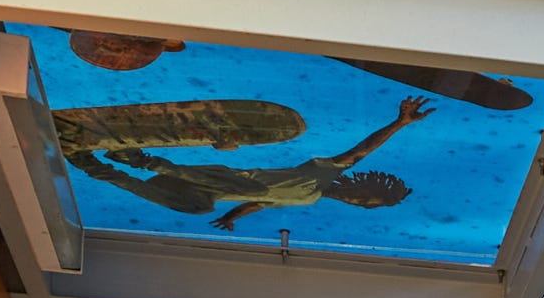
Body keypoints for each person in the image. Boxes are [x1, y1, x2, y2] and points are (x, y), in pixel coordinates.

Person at [73, 97, 435, 231]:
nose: (355, 203)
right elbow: (360, 152)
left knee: (199, 208)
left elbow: (261, 203)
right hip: (223, 178)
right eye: (363, 198)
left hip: (202, 192)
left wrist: (232, 218)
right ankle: (141, 158)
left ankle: (98, 167)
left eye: (362, 207)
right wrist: (399, 123)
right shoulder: (326, 175)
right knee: (242, 185)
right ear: (361, 188)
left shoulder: (308, 200)